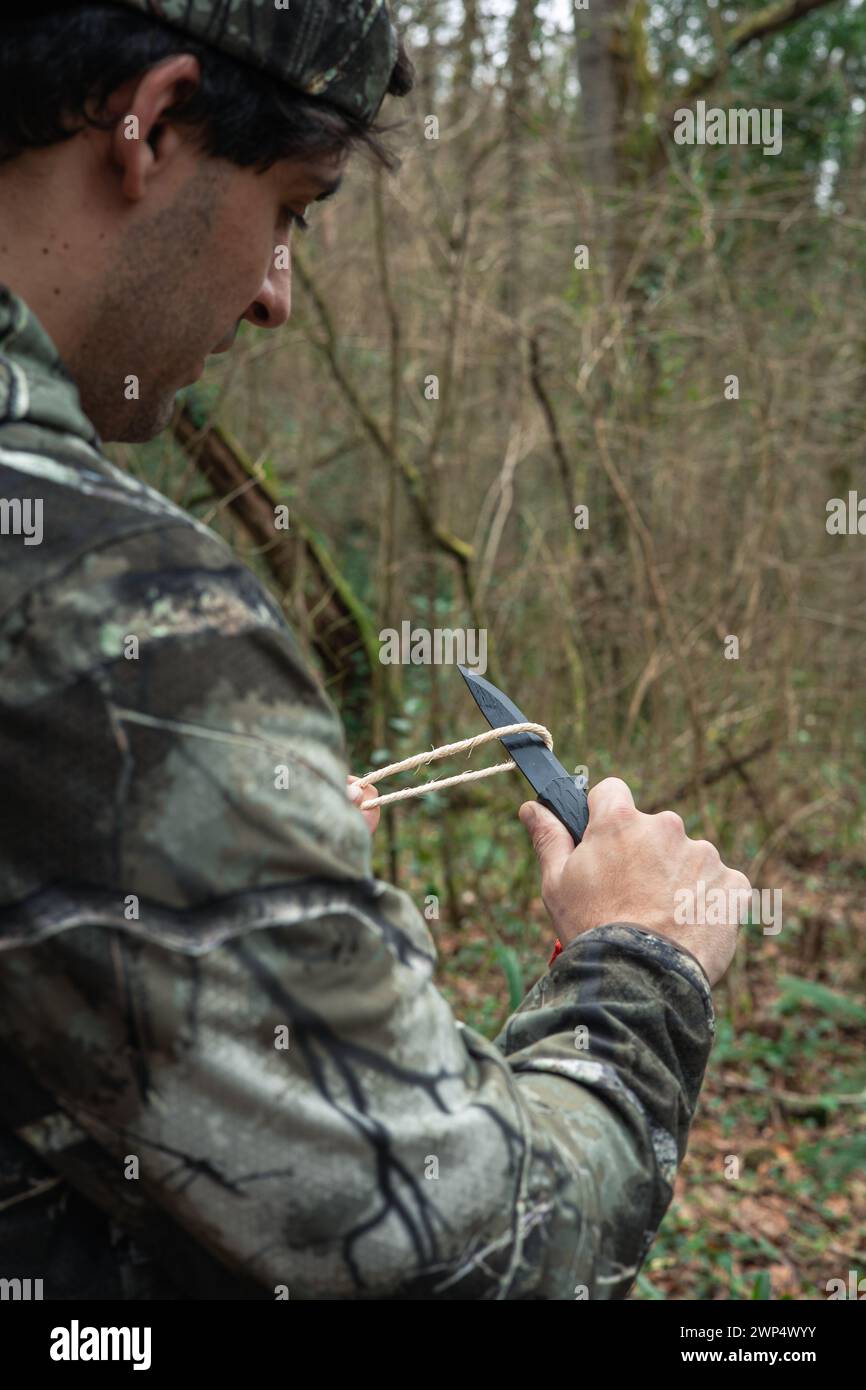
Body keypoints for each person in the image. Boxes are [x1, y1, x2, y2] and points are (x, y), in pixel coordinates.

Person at [0, 1, 750, 1300]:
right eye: (290, 209)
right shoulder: (105, 605)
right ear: (156, 124)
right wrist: (642, 961)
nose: (278, 296)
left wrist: (238, 879)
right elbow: (443, 1249)